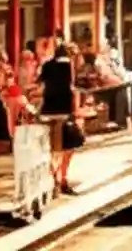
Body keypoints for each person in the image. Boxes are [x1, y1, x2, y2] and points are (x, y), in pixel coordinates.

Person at [38, 44, 81, 195]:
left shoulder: (47, 65)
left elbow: (41, 84)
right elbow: (72, 87)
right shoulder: (68, 65)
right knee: (66, 147)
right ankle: (61, 179)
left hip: (47, 109)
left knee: (51, 148)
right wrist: (75, 110)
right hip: (63, 109)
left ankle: (54, 179)